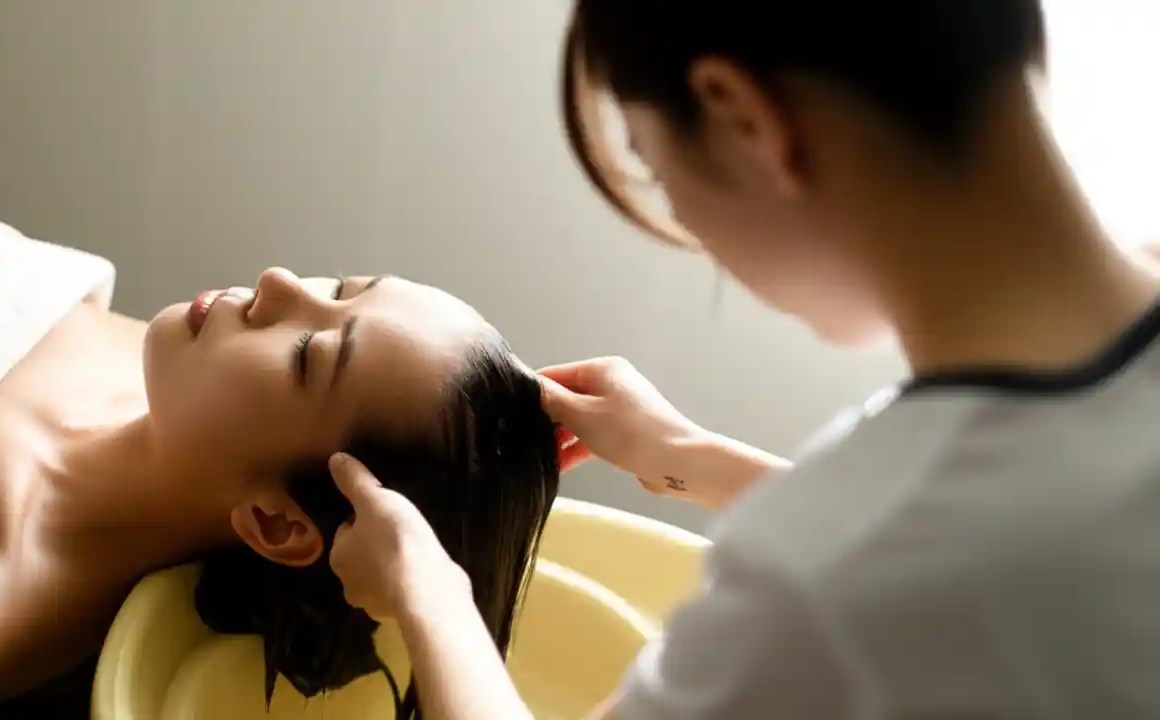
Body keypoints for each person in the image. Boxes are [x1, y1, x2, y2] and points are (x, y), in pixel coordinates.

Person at [326, 1, 1160, 718]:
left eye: (655, 170)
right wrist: (688, 459)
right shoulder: (890, 545)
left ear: (743, 118)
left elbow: (902, 559)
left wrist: (426, 590)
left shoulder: (828, 576)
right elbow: (988, 542)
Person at [0, 197, 558, 719]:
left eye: (307, 357)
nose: (279, 283)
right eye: (344, 288)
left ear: (277, 524)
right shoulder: (160, 367)